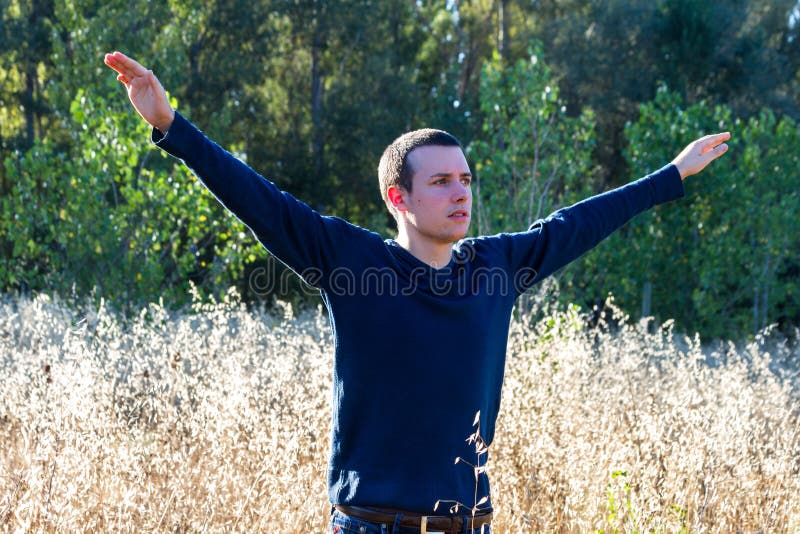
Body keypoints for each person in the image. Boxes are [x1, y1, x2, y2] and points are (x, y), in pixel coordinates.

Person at [104, 51, 730, 534]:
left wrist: (670, 175)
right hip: (371, 523)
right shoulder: (349, 264)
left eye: (465, 179)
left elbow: (579, 222)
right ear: (398, 198)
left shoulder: (497, 268)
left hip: (469, 523)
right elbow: (259, 199)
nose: (461, 192)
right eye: (441, 182)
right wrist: (169, 126)